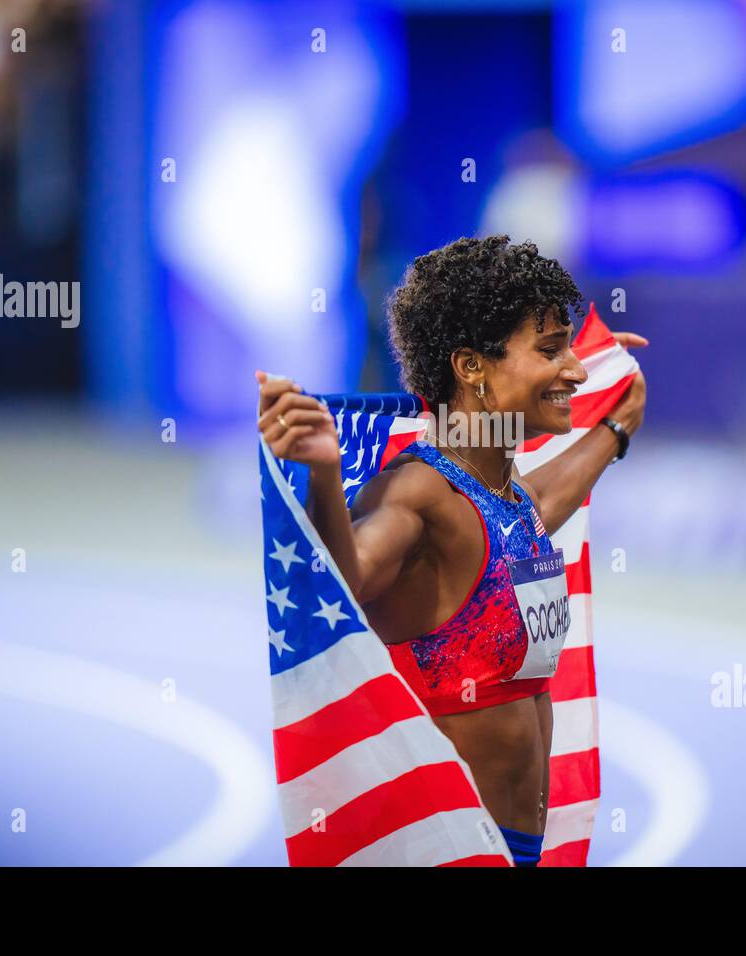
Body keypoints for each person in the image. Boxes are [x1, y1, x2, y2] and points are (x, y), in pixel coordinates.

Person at [256, 235, 647, 866]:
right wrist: (325, 474)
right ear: (471, 367)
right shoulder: (418, 493)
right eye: (551, 351)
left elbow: (551, 499)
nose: (575, 369)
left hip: (521, 851)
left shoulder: (506, 495)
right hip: (450, 850)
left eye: (572, 350)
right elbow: (344, 584)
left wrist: (618, 422)